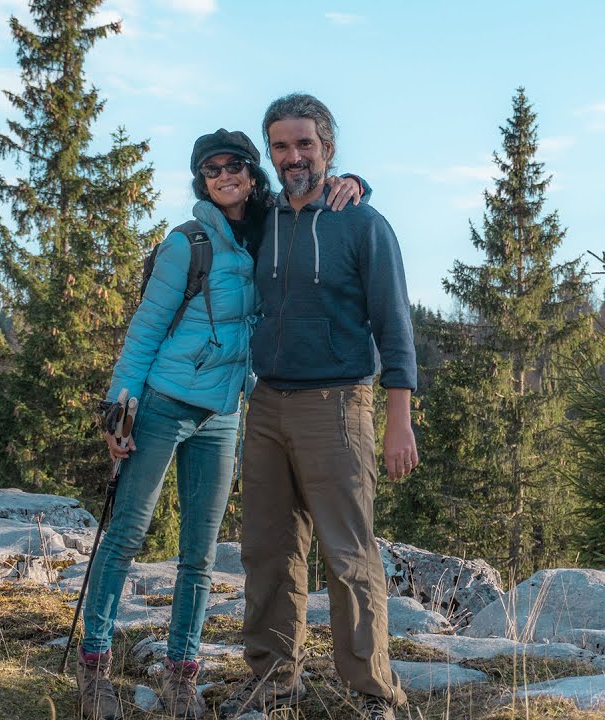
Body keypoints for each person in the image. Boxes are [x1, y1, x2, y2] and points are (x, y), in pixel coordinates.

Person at [75, 128, 365, 720]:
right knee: (126, 535)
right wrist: (117, 407)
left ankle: (182, 675)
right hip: (161, 406)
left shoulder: (266, 232)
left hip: (224, 415)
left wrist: (356, 183)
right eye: (212, 169)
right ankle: (94, 668)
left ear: (252, 174)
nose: (225, 174)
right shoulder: (187, 243)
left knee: (199, 556)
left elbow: (315, 193)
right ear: (201, 180)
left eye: (235, 165)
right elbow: (145, 331)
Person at [217, 94, 418, 720]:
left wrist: (398, 422)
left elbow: (395, 326)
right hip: (267, 405)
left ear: (328, 148)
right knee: (267, 551)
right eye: (281, 146)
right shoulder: (260, 220)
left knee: (349, 554)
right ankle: (273, 685)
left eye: (305, 144)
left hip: (339, 406)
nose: (293, 156)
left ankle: (371, 695)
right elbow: (214, 193)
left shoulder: (362, 222)